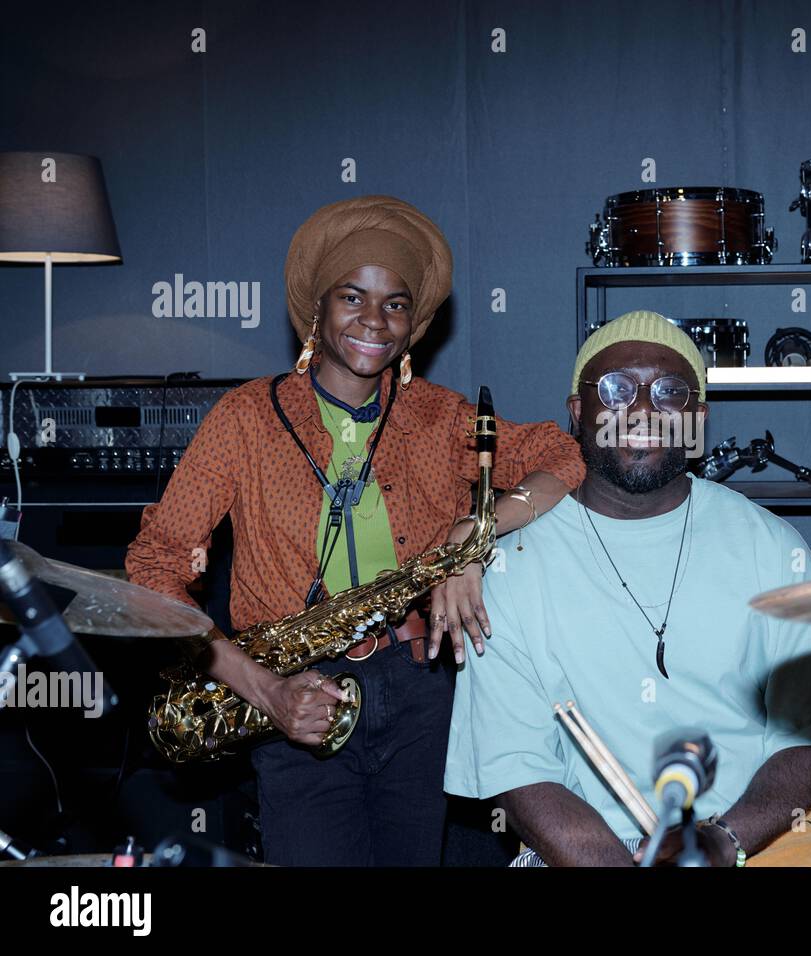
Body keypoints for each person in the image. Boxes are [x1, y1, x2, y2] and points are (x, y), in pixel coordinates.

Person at [127, 195, 584, 865]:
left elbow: (563, 458)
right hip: (293, 688)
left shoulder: (440, 416)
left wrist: (472, 536)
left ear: (413, 322)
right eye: (352, 296)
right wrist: (265, 689)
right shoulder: (245, 419)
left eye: (395, 303)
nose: (375, 320)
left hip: (420, 689)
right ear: (317, 307)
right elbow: (154, 566)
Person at [444, 310, 811, 867]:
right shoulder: (510, 568)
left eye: (670, 392)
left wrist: (724, 839)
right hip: (577, 848)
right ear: (578, 413)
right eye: (616, 389)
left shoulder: (771, 547)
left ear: (697, 418)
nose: (643, 408)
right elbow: (517, 769)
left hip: (755, 836)